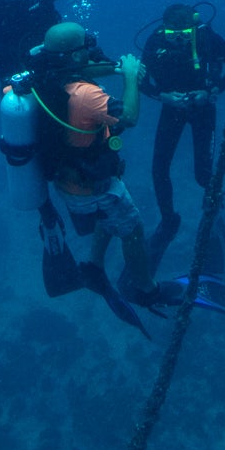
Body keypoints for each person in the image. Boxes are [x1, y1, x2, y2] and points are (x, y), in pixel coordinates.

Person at [17, 22, 157, 333]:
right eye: (85, 48)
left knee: (106, 219)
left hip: (67, 180)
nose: (91, 51)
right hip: (95, 185)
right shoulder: (85, 95)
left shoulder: (41, 74)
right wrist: (131, 77)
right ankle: (145, 289)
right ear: (75, 54)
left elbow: (77, 69)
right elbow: (128, 117)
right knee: (132, 230)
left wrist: (115, 69)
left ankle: (93, 266)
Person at [138, 3, 225, 260]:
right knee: (159, 168)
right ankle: (168, 219)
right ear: (164, 30)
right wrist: (163, 97)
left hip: (202, 108)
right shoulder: (155, 41)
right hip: (171, 108)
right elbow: (139, 80)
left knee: (204, 174)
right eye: (173, 34)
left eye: (185, 33)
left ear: (194, 27)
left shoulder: (206, 37)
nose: (180, 38)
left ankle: (213, 208)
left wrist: (213, 90)